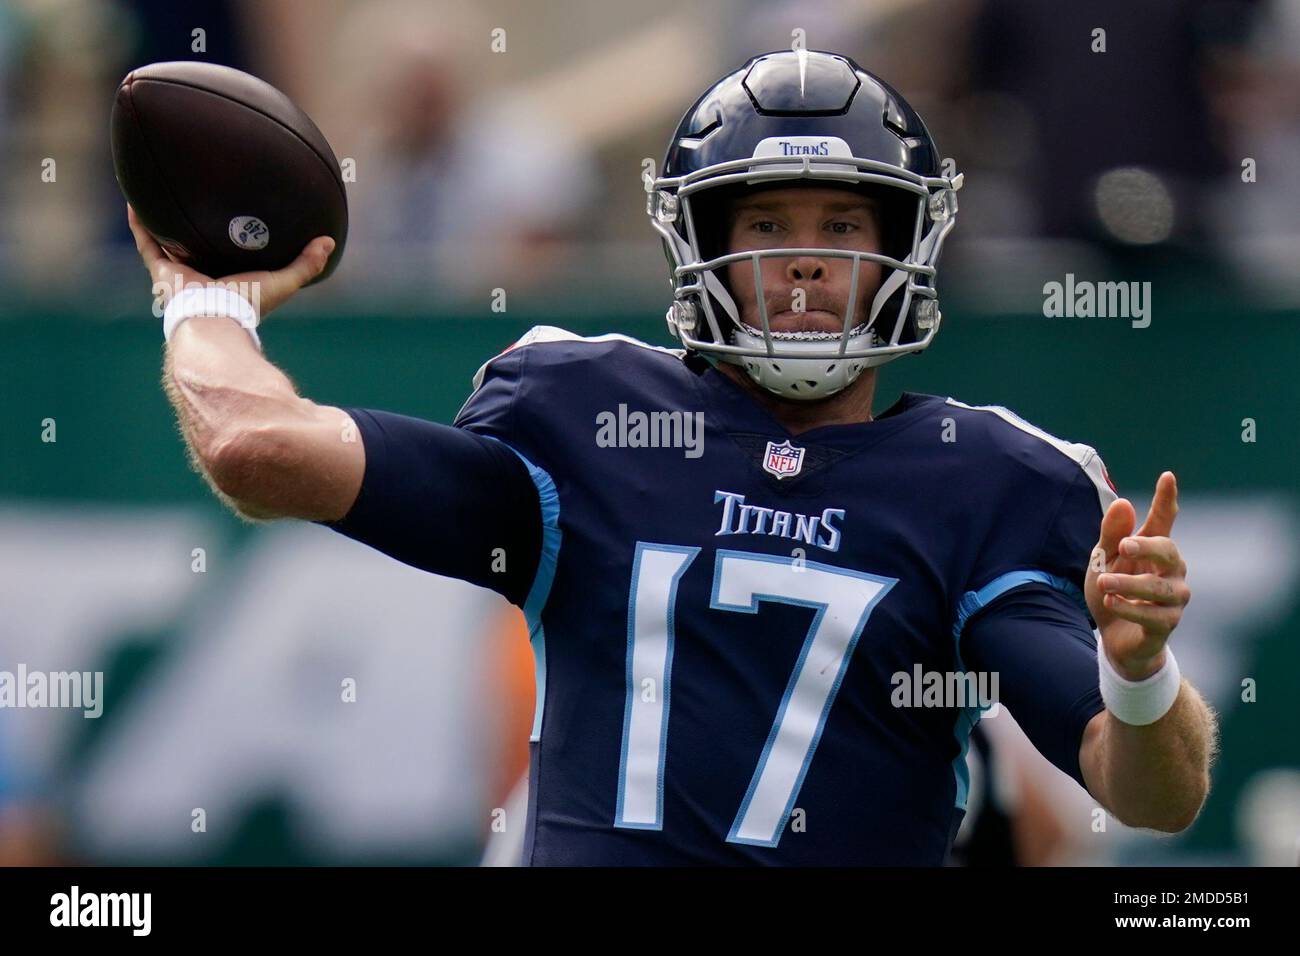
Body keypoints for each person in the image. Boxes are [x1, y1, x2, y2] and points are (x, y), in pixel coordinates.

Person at [130, 50, 1215, 865]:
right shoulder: (582, 417)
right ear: (700, 246)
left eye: (841, 226)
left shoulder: (984, 479)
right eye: (767, 225)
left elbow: (1153, 792)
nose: (802, 265)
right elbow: (255, 446)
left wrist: (1138, 672)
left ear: (902, 249)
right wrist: (205, 299)